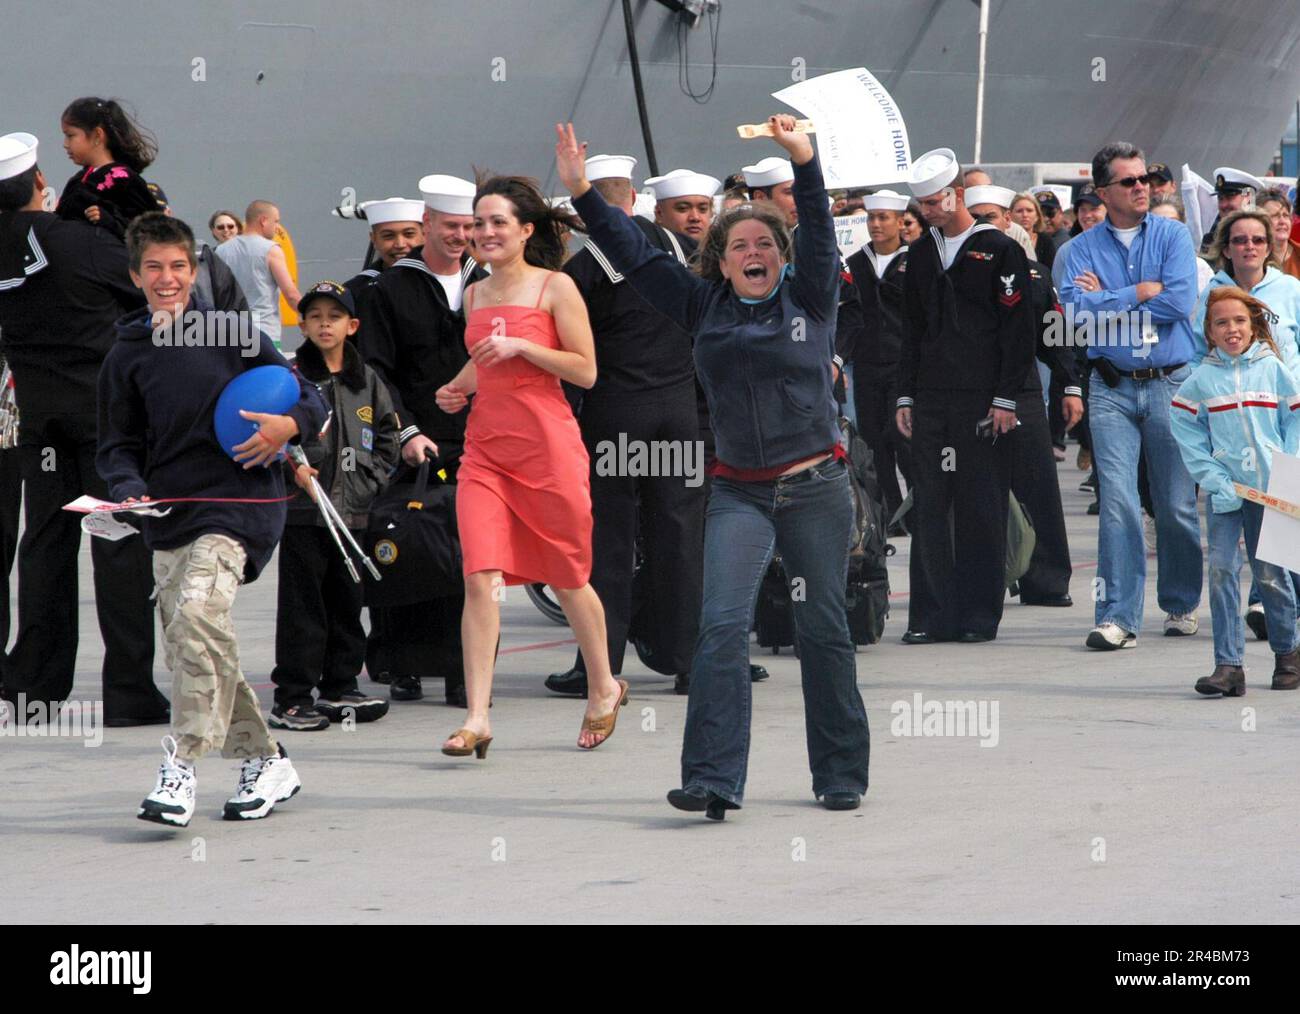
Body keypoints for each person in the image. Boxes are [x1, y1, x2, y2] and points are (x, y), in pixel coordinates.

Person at [560, 115, 870, 816]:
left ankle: (841, 771)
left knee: (822, 627)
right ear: (721, 261)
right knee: (721, 628)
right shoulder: (701, 305)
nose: (752, 251)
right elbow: (637, 259)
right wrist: (583, 194)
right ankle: (712, 777)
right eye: (739, 245)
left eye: (765, 243)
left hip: (816, 488)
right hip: (738, 493)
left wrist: (805, 160)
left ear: (783, 258)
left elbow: (818, 227)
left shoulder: (811, 297)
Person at [98, 212, 328, 827]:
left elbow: (309, 395)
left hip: (241, 505)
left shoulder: (229, 332)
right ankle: (267, 761)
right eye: (154, 268)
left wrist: (289, 426)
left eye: (178, 267)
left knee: (196, 617)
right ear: (135, 275)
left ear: (195, 272)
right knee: (193, 645)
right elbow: (115, 445)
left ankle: (181, 768)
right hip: (169, 515)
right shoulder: (126, 355)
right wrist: (127, 488)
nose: (167, 278)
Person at [434, 172, 627, 757]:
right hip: (486, 453)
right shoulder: (472, 292)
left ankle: (603, 686)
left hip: (547, 450)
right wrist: (460, 385)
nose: (485, 232)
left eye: (498, 222)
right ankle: (477, 717)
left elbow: (585, 370)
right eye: (479, 222)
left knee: (568, 578)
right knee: (479, 577)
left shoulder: (556, 288)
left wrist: (524, 347)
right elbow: (485, 359)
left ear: (525, 231)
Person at [0, 130, 166, 726]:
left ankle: (33, 689)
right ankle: (128, 691)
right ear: (39, 183)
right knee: (118, 542)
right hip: (102, 419)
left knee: (45, 544)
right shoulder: (79, 242)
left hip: (38, 424)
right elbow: (146, 294)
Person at [544, 154, 704, 699]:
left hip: (618, 421)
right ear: (634, 199)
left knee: (609, 540)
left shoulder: (581, 273)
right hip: (679, 415)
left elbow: (569, 361)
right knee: (680, 533)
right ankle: (687, 659)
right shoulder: (686, 255)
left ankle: (601, 664)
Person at [1058, 142, 1203, 651]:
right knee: (1118, 502)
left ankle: (1181, 602)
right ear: (1103, 192)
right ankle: (1117, 615)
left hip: (1170, 381)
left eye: (1144, 179)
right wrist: (1138, 292)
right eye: (1129, 181)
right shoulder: (1075, 251)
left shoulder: (1172, 234)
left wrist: (1106, 300)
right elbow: (1074, 320)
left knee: (1175, 503)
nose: (1142, 187)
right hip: (1111, 386)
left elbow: (1180, 301)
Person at [895, 152, 1036, 644]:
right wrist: (905, 396)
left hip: (982, 398)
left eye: (934, 202)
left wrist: (1006, 398)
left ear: (956, 195)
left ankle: (979, 615)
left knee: (981, 506)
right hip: (932, 397)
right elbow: (909, 330)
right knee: (930, 504)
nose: (927, 211)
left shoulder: (998, 249)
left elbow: (1018, 330)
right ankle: (930, 615)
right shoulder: (918, 254)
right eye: (922, 204)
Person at [358, 174, 487, 706]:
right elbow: (376, 370)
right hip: (415, 440)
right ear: (427, 225)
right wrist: (405, 430)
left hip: (482, 440)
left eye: (469, 227)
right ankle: (402, 662)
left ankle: (465, 673)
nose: (460, 236)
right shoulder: (387, 289)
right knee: (408, 548)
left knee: (473, 556)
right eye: (451, 226)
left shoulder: (492, 282)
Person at [271, 281, 398, 731]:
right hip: (306, 514)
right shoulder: (289, 376)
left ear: (352, 325)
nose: (325, 323)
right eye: (315, 316)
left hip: (354, 513)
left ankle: (341, 686)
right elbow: (274, 439)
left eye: (335, 316)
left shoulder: (368, 380)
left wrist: (371, 481)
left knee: (348, 601)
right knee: (304, 607)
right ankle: (292, 696)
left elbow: (388, 435)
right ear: (302, 324)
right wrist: (292, 471)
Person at [1170, 286, 1300, 695]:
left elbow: (1294, 422)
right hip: (1226, 494)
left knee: (1272, 574)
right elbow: (1188, 435)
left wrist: (1288, 470)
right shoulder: (1200, 382)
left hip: (1273, 492)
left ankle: (1288, 655)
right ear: (1208, 332)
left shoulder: (1274, 371)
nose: (1232, 329)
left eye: (1240, 320)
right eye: (1221, 322)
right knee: (1223, 569)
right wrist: (1215, 480)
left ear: (1253, 325)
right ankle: (1229, 667)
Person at [966, 184, 1083, 606]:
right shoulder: (951, 269)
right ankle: (983, 581)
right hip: (969, 392)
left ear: (1007, 221)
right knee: (975, 494)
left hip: (1024, 392)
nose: (983, 225)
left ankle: (1047, 581)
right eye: (974, 216)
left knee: (1038, 488)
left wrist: (1069, 385)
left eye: (991, 217)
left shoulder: (1034, 273)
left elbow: (1056, 334)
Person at [845, 189, 912, 528]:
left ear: (901, 222)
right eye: (871, 217)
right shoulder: (855, 262)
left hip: (904, 365)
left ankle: (918, 506)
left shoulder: (917, 260)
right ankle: (888, 510)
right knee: (873, 441)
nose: (875, 224)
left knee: (904, 438)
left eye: (883, 217)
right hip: (867, 364)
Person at [1192, 210, 1300, 370]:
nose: (1250, 246)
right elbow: (1198, 353)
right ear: (1226, 250)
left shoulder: (1291, 288)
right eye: (1240, 240)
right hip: (1227, 393)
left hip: (1286, 393)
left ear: (1268, 249)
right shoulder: (1213, 293)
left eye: (1258, 240)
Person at [56, 97, 159, 240]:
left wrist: (109, 221)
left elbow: (153, 230)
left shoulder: (124, 179)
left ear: (98, 135)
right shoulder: (78, 180)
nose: (65, 144)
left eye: (70, 136)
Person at [214, 199, 302, 348]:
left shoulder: (220, 251)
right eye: (275, 222)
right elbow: (291, 294)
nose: (276, 227)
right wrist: (312, 313)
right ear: (263, 221)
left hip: (230, 334)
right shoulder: (270, 249)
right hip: (264, 333)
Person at [1149, 194, 1215, 292]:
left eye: (1173, 223)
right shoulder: (1136, 268)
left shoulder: (1200, 268)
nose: (1166, 230)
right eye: (1158, 224)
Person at [644, 169, 720, 243]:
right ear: (659, 213)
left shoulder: (725, 253)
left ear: (711, 213)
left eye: (703, 209)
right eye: (682, 208)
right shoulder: (647, 253)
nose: (695, 217)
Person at [1201, 167, 1264, 249]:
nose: (1223, 205)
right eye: (1220, 198)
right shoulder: (1210, 241)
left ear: (1248, 196)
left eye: (1230, 197)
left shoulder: (1263, 237)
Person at [1258, 189, 1300, 280]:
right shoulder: (1252, 256)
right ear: (1259, 221)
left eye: (1285, 215)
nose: (1282, 221)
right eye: (1274, 215)